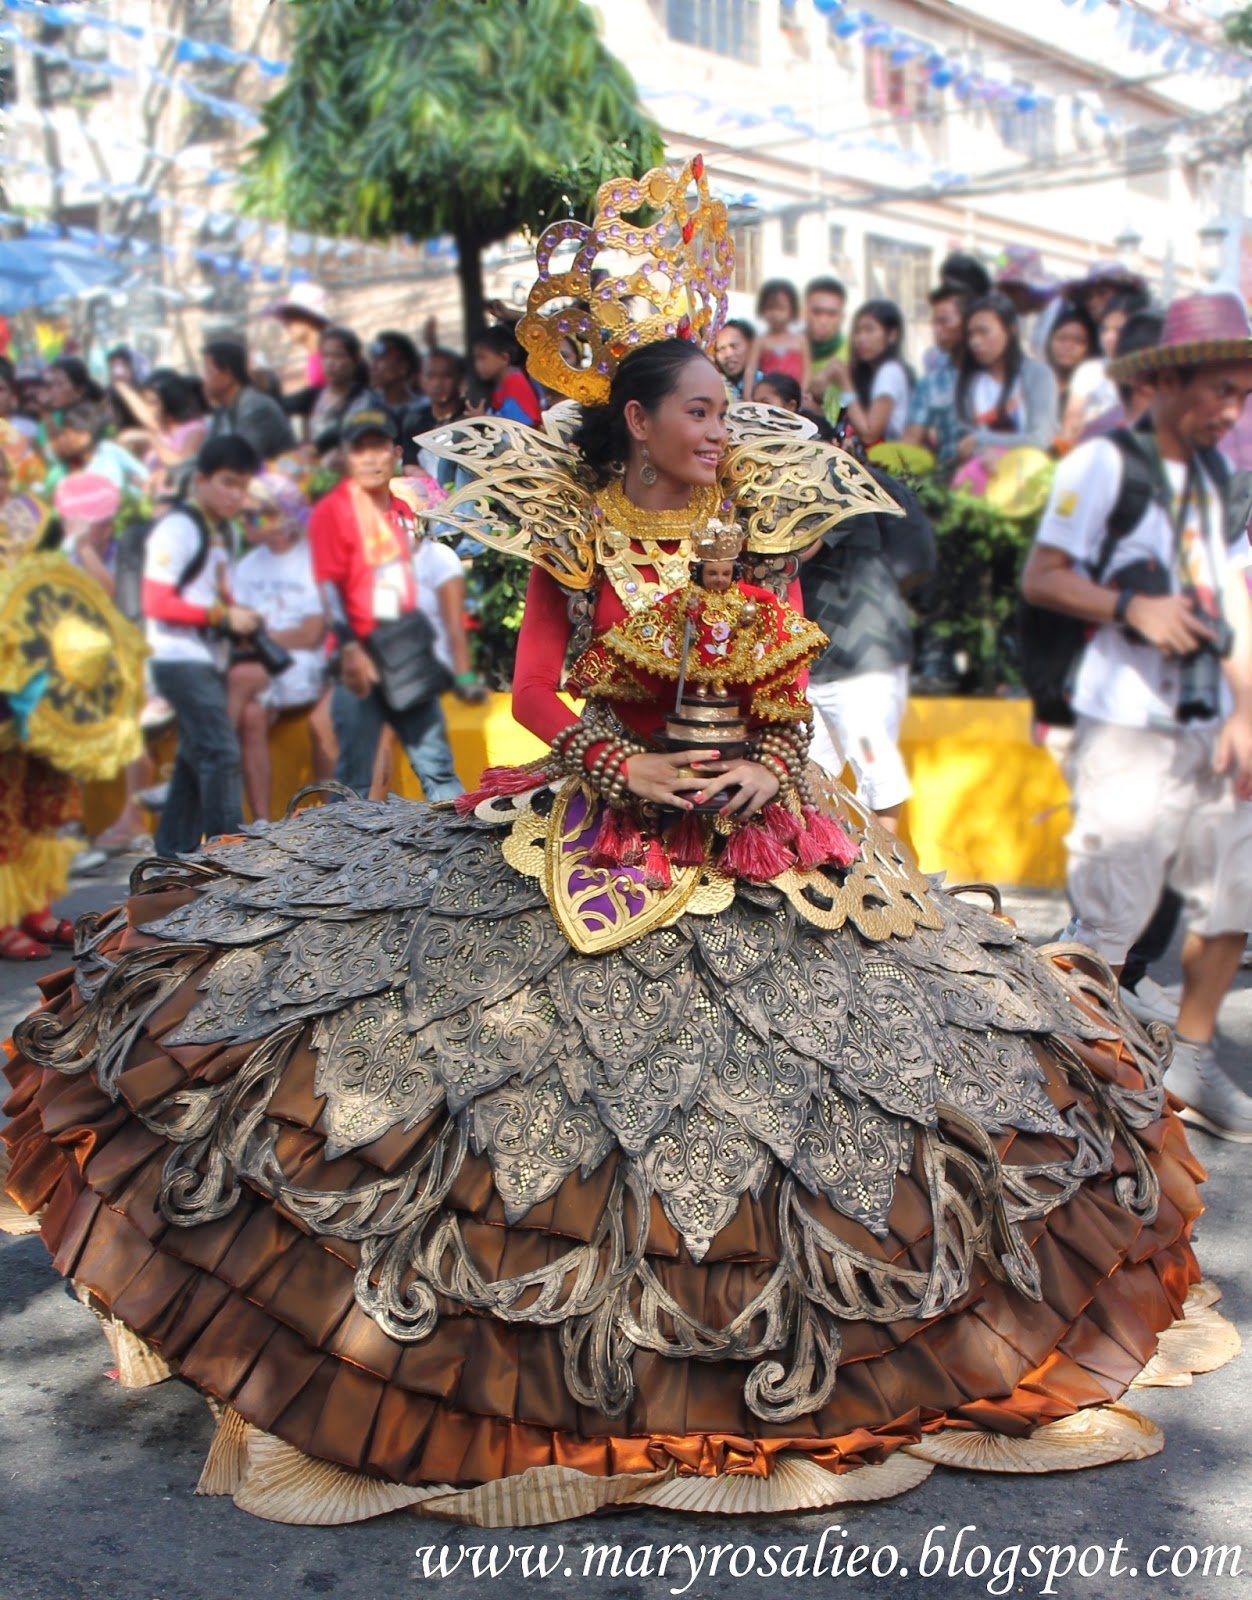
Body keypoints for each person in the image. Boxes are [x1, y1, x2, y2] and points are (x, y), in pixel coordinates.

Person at [2, 156, 1232, 1531]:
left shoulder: (749, 528)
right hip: (598, 814)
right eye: (702, 408)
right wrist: (630, 760)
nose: (724, 427)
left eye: (728, 407)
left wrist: (761, 767)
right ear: (637, 419)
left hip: (750, 823)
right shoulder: (577, 534)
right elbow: (534, 694)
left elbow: (783, 685)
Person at [1021, 291, 1252, 1140]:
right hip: (1125, 723)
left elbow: (1230, 596)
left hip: (1205, 718)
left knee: (1233, 896)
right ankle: (1065, 1091)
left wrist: (1246, 712)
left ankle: (1188, 1057)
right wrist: (1129, 609)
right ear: (1170, 380)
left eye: (1244, 395)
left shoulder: (1220, 477)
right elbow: (1045, 576)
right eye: (1221, 390)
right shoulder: (1103, 466)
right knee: (1109, 926)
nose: (1233, 410)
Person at [307, 407, 462, 800]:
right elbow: (327, 588)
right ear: (346, 458)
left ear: (395, 453)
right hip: (358, 651)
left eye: (378, 448)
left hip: (403, 646)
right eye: (360, 450)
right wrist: (349, 647)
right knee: (357, 777)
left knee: (436, 766)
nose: (371, 459)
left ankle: (461, 855)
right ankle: (340, 856)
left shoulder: (403, 510)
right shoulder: (332, 512)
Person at [141, 434, 262, 855]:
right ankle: (227, 860)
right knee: (221, 751)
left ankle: (169, 861)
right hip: (177, 657)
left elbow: (210, 592)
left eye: (243, 486)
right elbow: (155, 600)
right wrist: (221, 617)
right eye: (227, 483)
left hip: (206, 657)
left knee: (192, 766)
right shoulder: (178, 528)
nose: (235, 495)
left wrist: (237, 618)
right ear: (201, 480)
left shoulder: (222, 531)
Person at [228, 471, 328, 820]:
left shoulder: (310, 559)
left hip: (300, 664)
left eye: (255, 513)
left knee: (240, 677)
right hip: (263, 666)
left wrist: (260, 639)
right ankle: (259, 822)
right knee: (251, 716)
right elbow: (238, 628)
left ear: (281, 514)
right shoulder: (246, 564)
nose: (246, 522)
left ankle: (202, 759)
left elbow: (310, 634)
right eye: (244, 514)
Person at [954, 291, 1058, 460]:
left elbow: (1041, 439)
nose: (975, 341)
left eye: (983, 332)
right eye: (971, 334)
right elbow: (966, 444)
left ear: (1011, 330)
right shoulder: (970, 383)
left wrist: (982, 439)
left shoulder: (1037, 375)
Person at [903, 278, 968, 467]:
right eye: (934, 323)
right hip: (952, 485)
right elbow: (911, 440)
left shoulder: (997, 374)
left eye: (944, 321)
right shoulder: (930, 383)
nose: (937, 330)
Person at [202, 337, 297, 463]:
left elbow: (240, 462)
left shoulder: (256, 408)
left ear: (227, 376)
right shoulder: (223, 410)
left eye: (208, 372)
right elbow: (205, 454)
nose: (203, 379)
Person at [306, 325, 370, 453]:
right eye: (325, 356)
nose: (329, 363)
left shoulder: (363, 401)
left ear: (354, 360)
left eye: (337, 356)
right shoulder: (316, 396)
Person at [744, 276, 807, 399]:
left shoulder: (800, 340)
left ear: (792, 310)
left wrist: (802, 392)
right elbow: (750, 370)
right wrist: (747, 396)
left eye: (781, 308)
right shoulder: (761, 340)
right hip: (769, 398)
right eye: (770, 308)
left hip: (794, 396)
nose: (775, 314)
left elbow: (806, 371)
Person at [470, 324, 541, 425]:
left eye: (482, 358)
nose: (477, 365)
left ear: (504, 358)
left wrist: (484, 419)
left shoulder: (515, 384)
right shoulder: (500, 384)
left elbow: (517, 425)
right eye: (476, 359)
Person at [1045, 302, 1098, 433]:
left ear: (1089, 348)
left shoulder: (1093, 392)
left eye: (1078, 341)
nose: (1068, 346)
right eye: (1061, 339)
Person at [801, 274, 848, 420]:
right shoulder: (789, 348)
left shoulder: (854, 355)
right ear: (805, 312)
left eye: (831, 314)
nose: (823, 320)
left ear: (842, 317)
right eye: (817, 312)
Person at [712, 316, 754, 398]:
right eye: (721, 349)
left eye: (734, 346)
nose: (728, 354)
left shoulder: (767, 385)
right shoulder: (717, 387)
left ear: (751, 346)